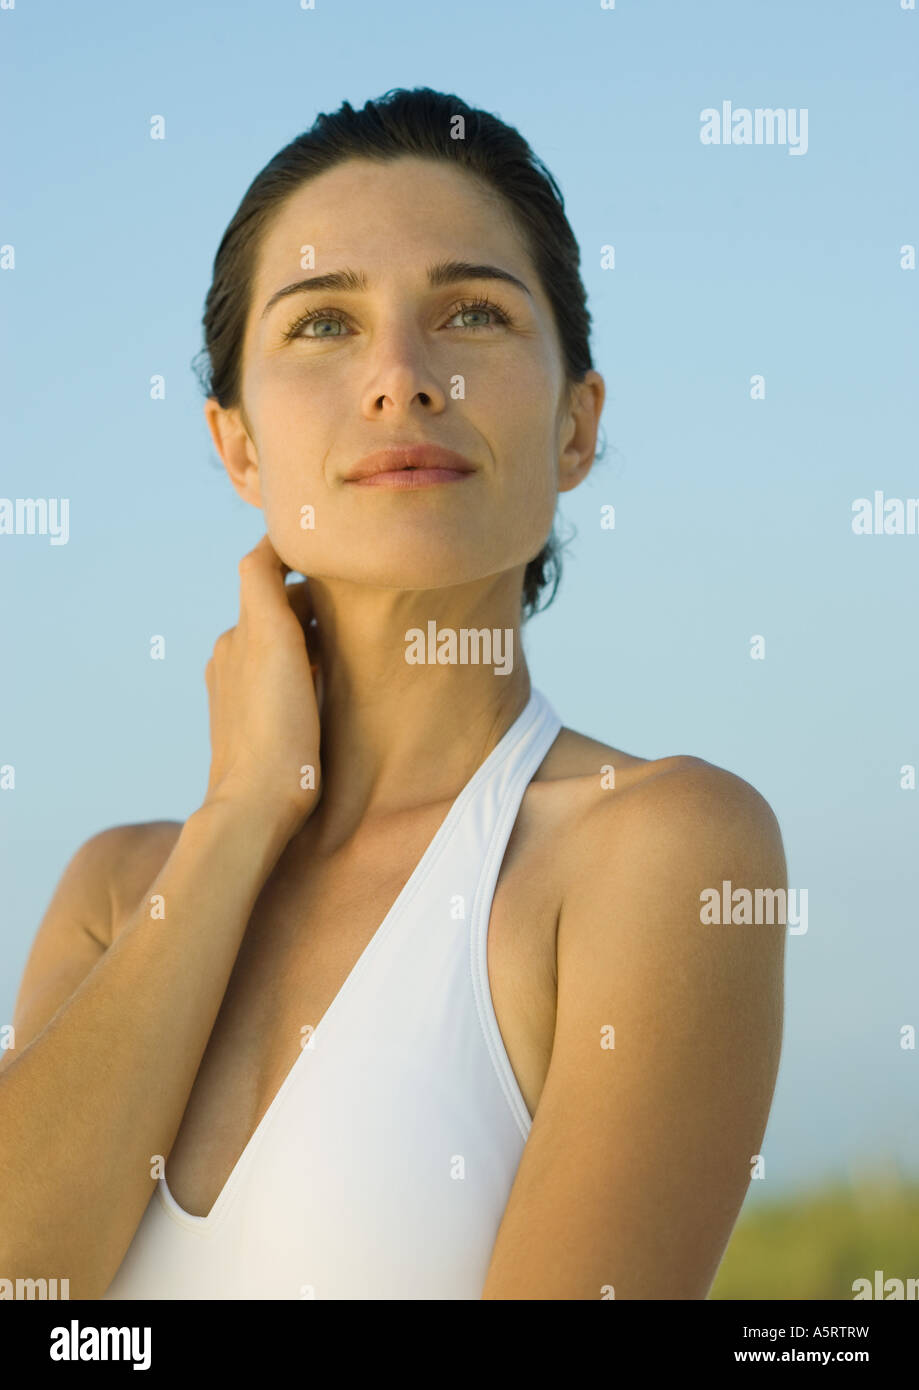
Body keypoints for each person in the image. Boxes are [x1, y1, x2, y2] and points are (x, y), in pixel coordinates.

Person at [0, 88, 787, 1300]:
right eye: (322, 323)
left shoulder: (658, 850)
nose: (402, 378)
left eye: (471, 312)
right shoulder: (117, 892)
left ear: (577, 425)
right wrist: (242, 812)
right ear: (239, 448)